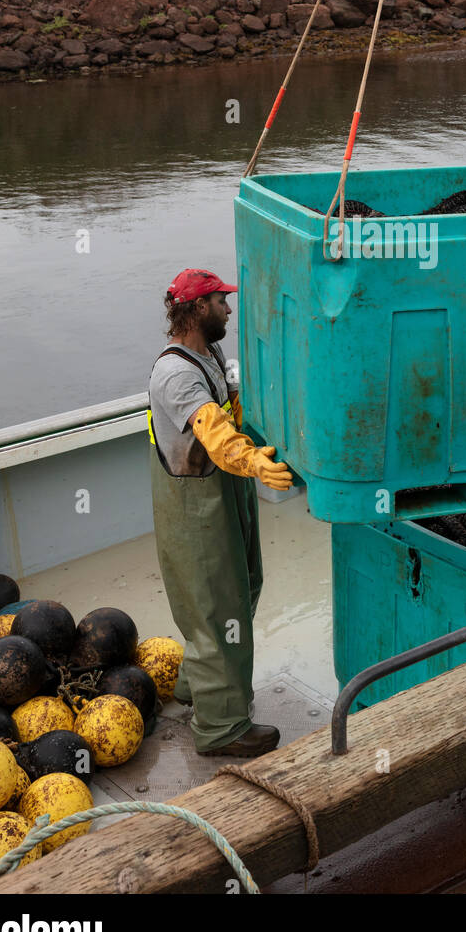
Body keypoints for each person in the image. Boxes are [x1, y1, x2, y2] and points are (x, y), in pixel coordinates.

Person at [148, 267, 293, 758]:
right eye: (220, 302)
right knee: (215, 608)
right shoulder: (174, 373)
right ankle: (221, 727)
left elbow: (231, 409)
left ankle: (195, 683)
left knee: (245, 583)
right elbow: (212, 431)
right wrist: (253, 461)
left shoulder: (209, 352)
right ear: (195, 309)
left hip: (223, 489)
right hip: (194, 505)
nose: (229, 309)